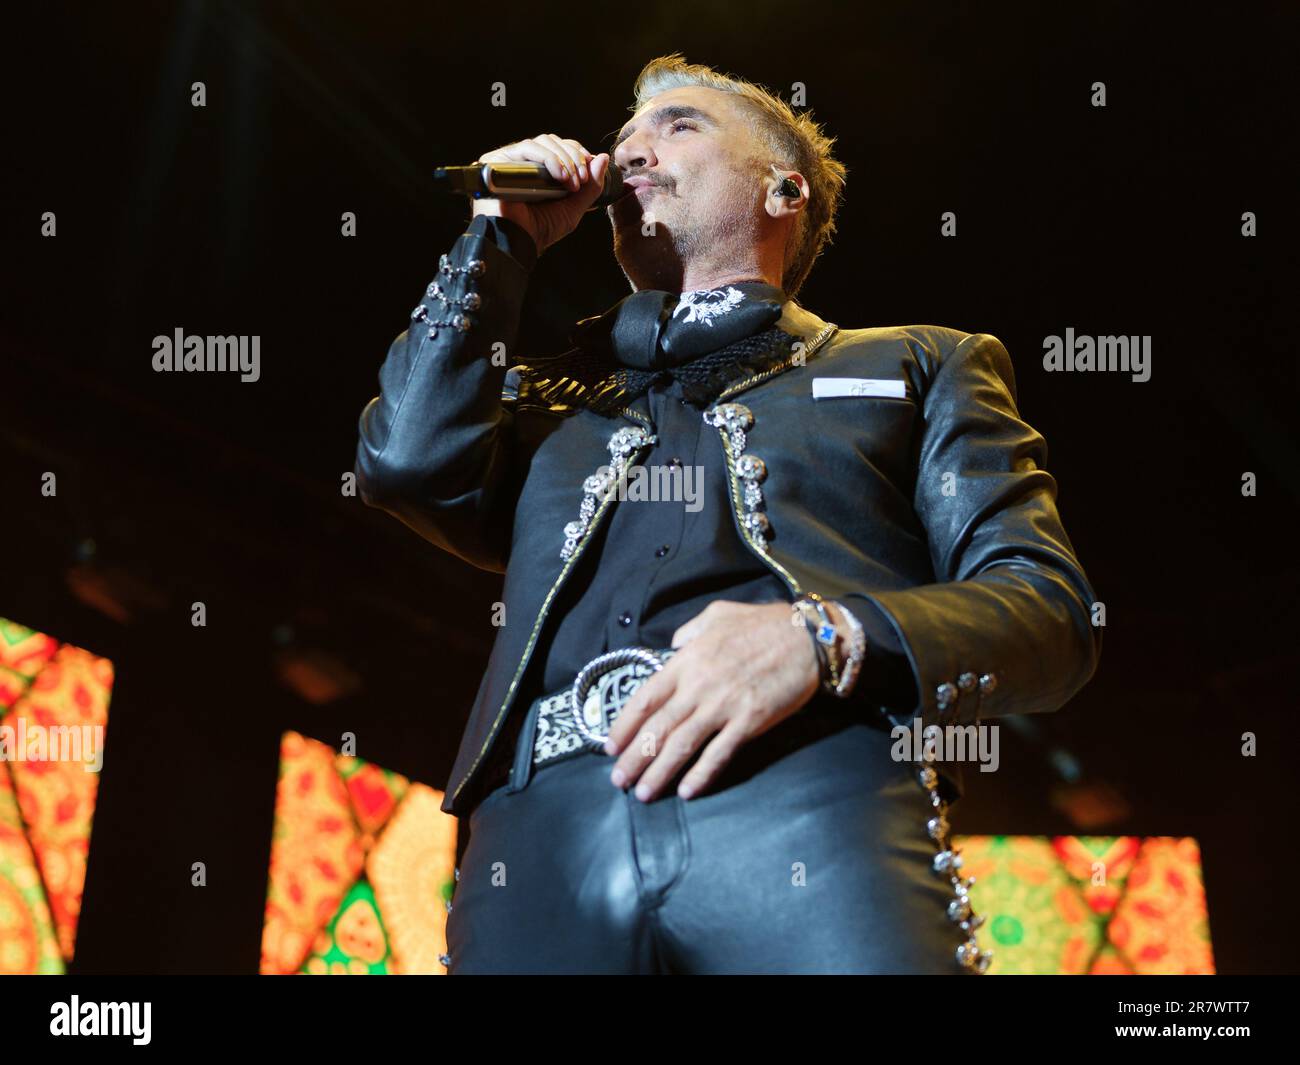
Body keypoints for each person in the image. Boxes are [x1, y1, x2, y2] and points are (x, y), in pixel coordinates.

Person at [353, 53, 1102, 974]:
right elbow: (405, 464)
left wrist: (824, 637)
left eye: (678, 125)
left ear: (783, 189)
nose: (631, 148)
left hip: (809, 801)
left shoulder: (921, 364)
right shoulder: (541, 398)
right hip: (536, 838)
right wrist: (497, 238)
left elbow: (1048, 611)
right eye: (623, 135)